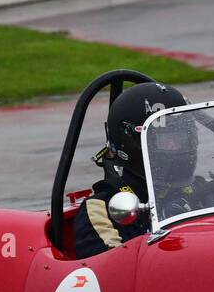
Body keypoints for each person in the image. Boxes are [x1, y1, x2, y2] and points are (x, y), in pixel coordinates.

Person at [73, 82, 190, 258]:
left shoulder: (212, 193)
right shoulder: (102, 209)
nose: (179, 148)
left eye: (183, 138)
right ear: (132, 142)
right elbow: (111, 272)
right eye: (167, 140)